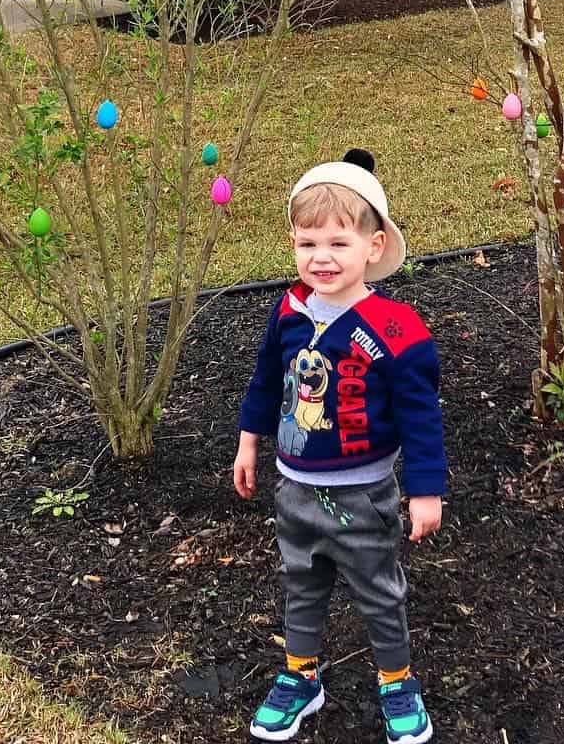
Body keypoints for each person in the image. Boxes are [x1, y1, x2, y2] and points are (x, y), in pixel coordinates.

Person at [234, 149, 445, 743]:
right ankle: (301, 677)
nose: (320, 258)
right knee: (300, 583)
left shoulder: (398, 329)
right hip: (296, 488)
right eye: (307, 244)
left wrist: (425, 490)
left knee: (378, 592)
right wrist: (249, 443)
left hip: (364, 495)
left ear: (373, 248)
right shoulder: (289, 310)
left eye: (337, 243)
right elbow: (265, 381)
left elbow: (421, 417)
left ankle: (396, 681)